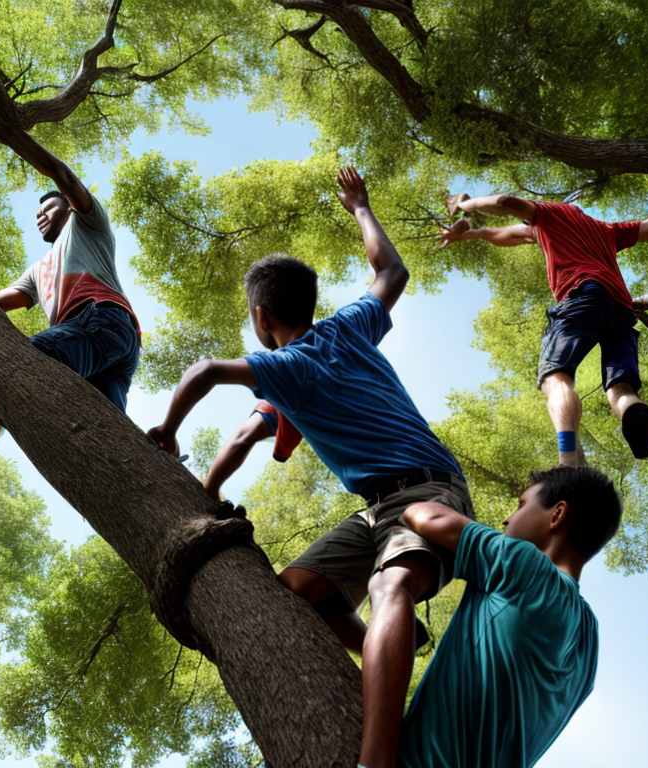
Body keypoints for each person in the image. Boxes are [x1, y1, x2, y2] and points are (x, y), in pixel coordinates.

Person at [149, 168, 470, 768]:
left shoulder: (286, 368)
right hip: (375, 508)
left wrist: (169, 435)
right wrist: (360, 208)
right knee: (293, 593)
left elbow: (206, 374)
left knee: (388, 584)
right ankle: (394, 640)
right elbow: (391, 274)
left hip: (428, 489)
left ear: (262, 313)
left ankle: (379, 754)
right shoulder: (350, 327)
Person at [438, 173, 648, 497]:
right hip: (621, 308)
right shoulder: (604, 231)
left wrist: (465, 203)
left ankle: (568, 461)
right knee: (620, 388)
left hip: (582, 296)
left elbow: (505, 204)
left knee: (556, 377)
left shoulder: (554, 213)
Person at [0, 151, 140, 498]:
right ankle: (149, 465)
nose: (40, 217)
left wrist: (16, 140)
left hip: (100, 319)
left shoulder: (88, 225)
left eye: (48, 209)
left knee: (17, 364)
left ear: (67, 206)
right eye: (36, 214)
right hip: (101, 349)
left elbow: (64, 176)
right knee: (107, 430)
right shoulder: (38, 270)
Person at [396, 464, 621, 768]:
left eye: (521, 504)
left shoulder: (524, 566)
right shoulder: (589, 640)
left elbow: (423, 515)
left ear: (557, 515)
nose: (508, 518)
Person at [201, 401, 303, 499]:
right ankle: (210, 489)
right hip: (285, 403)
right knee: (249, 433)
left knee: (250, 433)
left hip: (300, 414)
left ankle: (210, 488)